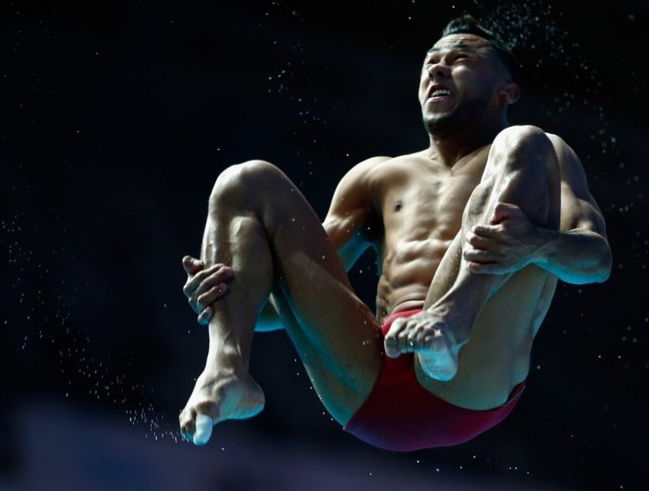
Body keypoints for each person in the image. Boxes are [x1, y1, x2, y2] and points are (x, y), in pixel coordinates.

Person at [178, 16, 611, 452]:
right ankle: (226, 369)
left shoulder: (544, 154)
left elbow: (596, 262)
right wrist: (227, 298)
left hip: (469, 376)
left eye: (459, 59)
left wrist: (536, 243)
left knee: (523, 141)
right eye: (431, 62)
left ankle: (451, 321)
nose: (438, 69)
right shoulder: (376, 178)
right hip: (370, 379)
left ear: (507, 91)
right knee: (245, 179)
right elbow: (282, 306)